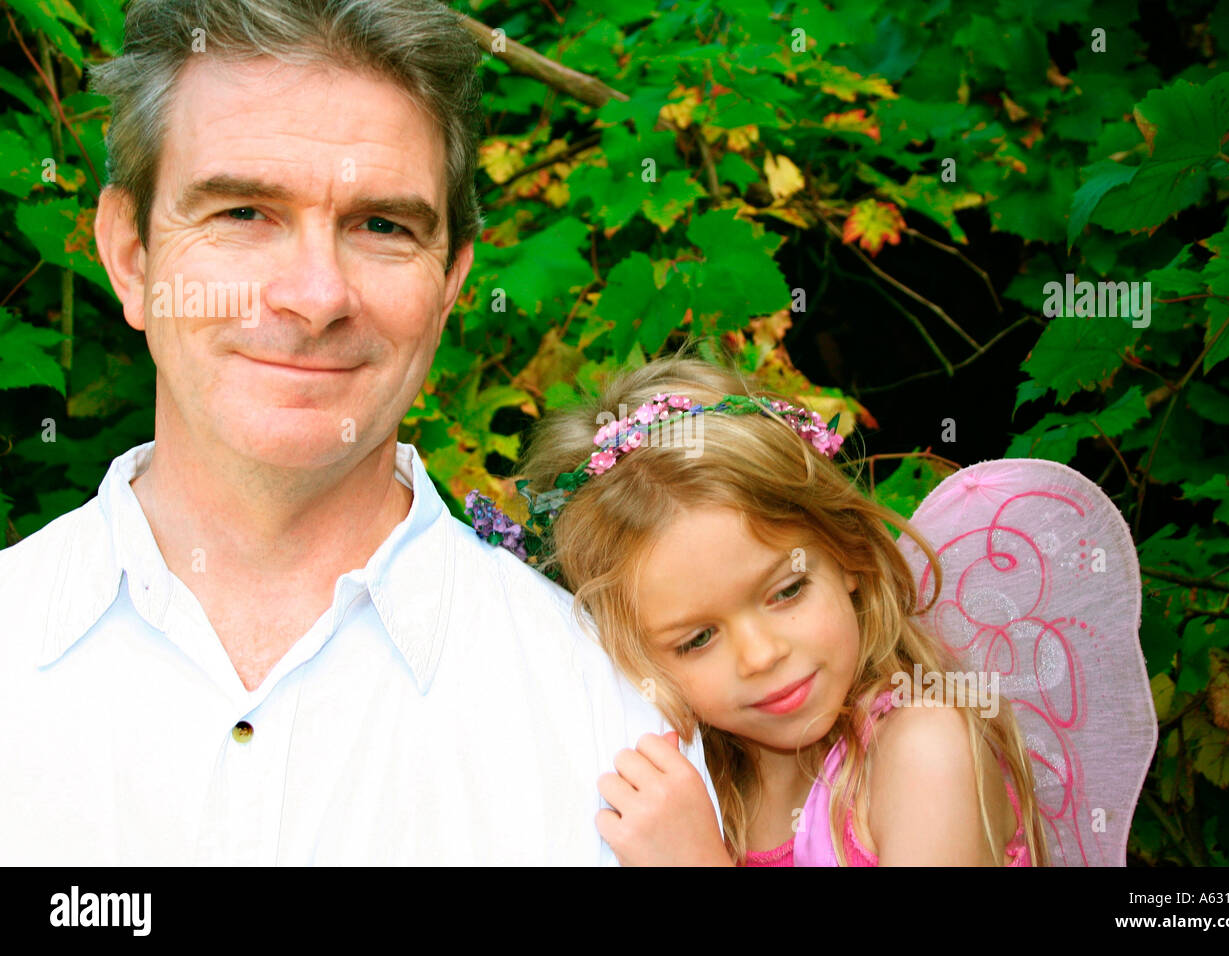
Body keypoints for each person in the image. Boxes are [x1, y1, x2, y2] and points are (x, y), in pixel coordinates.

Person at [0, 0, 720, 865]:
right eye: (242, 213)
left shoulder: (619, 724)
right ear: (129, 254)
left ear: (452, 280)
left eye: (382, 226)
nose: (315, 295)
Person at [492, 353, 1156, 866]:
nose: (762, 655)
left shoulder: (921, 752)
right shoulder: (691, 783)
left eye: (786, 591)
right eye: (696, 639)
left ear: (849, 556)